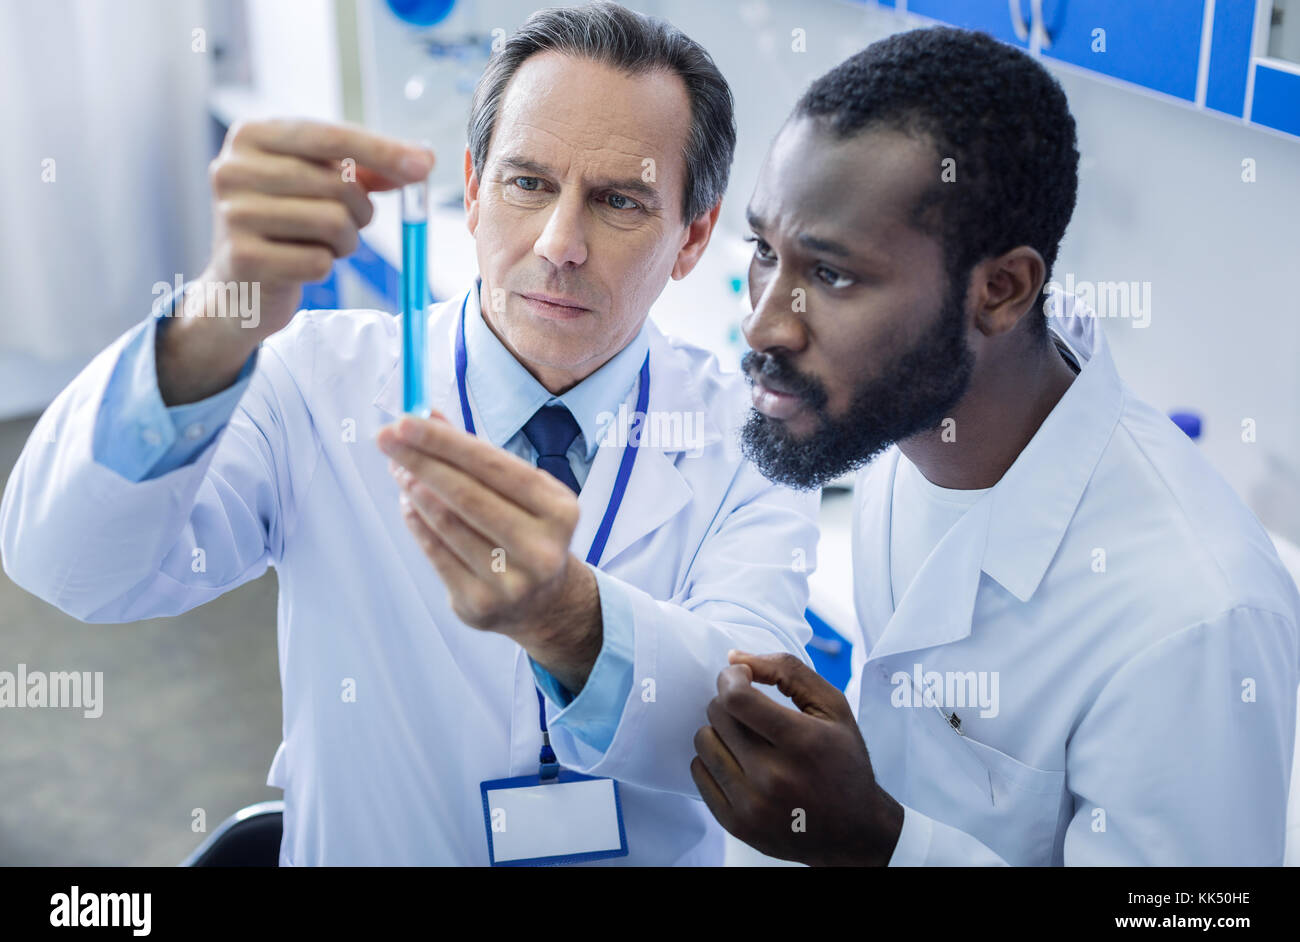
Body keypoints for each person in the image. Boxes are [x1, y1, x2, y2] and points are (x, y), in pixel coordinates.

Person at [0, 2, 818, 865]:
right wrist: (217, 314)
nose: (559, 243)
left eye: (618, 201)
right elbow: (71, 567)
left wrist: (569, 620)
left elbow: (753, 742)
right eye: (528, 182)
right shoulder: (317, 382)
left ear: (691, 237)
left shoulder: (755, 444)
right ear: (471, 188)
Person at [691, 26, 1300, 865]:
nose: (764, 320)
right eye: (765, 251)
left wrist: (877, 840)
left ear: (1001, 292)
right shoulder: (907, 430)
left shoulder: (1195, 618)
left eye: (831, 275)